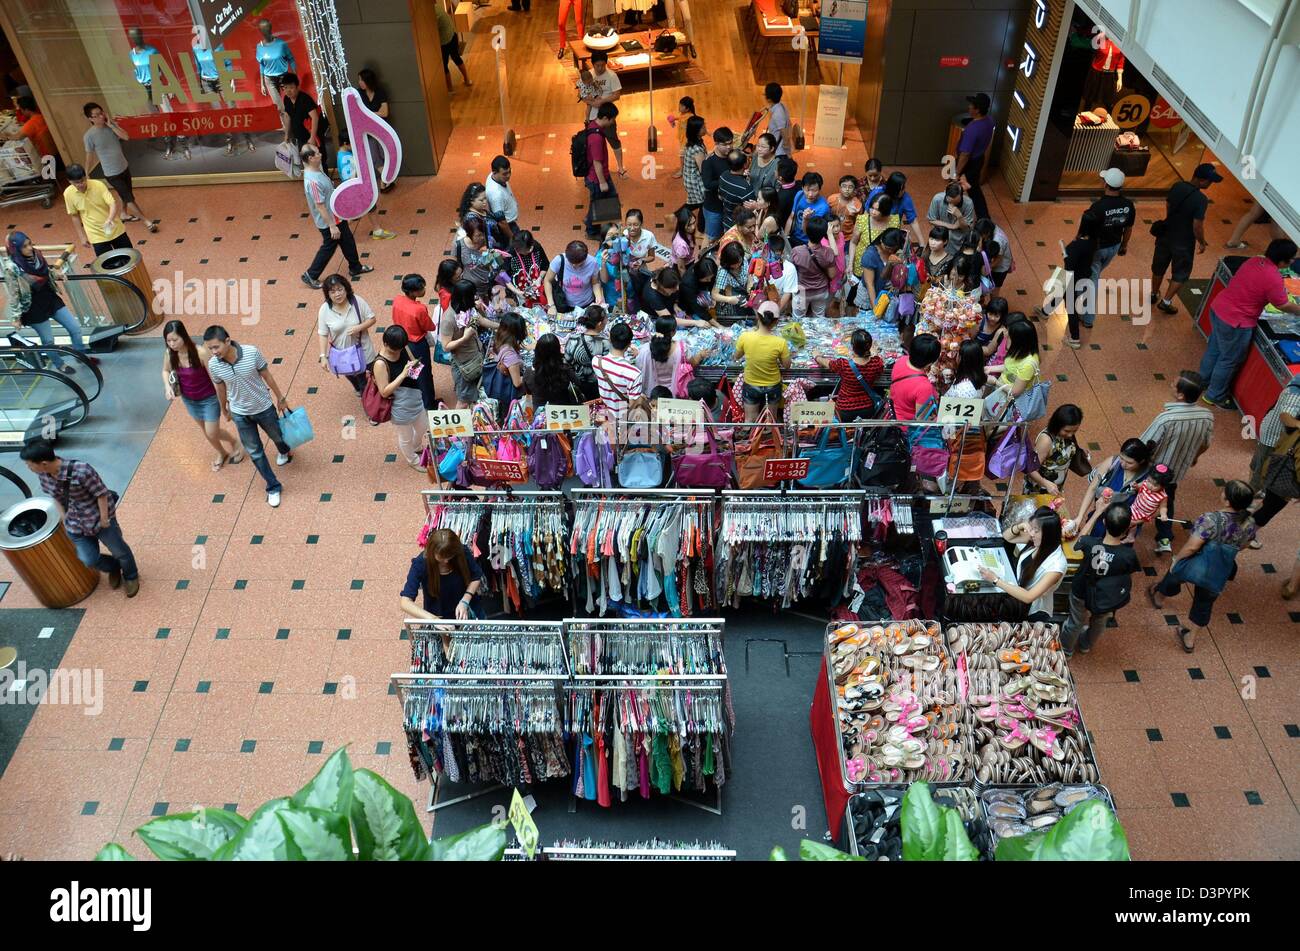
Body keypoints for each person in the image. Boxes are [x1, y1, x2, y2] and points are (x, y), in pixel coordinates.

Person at [20, 439, 139, 597]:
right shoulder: (44, 475)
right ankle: (113, 567)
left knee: (120, 551)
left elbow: (101, 494)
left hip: (98, 519)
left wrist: (104, 519)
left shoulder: (82, 470)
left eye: (29, 464)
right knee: (88, 559)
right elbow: (55, 497)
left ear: (43, 463)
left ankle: (131, 576)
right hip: (75, 523)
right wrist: (64, 517)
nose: (28, 467)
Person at [1148, 480, 1256, 653]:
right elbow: (1244, 545)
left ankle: (1159, 597)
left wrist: (1177, 559)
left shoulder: (1211, 519)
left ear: (1227, 500)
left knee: (1174, 574)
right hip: (1219, 570)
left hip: (1197, 561)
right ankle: (1190, 639)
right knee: (1204, 603)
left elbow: (1192, 546)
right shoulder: (1249, 523)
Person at [1197, 238, 1300, 410]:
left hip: (1220, 309)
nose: (1293, 262)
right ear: (1283, 261)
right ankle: (1214, 395)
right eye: (1291, 259)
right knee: (1229, 359)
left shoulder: (1254, 260)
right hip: (1236, 322)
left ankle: (1201, 381)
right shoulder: (1273, 277)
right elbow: (1282, 304)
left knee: (1214, 349)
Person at [204, 326, 292, 508]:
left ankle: (284, 451)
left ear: (227, 341)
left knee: (278, 437)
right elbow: (220, 387)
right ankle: (273, 486)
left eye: (216, 347)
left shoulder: (251, 352)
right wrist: (224, 409)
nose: (214, 352)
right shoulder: (213, 364)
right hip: (240, 413)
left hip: (264, 407)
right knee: (255, 452)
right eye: (210, 348)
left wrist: (280, 398)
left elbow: (267, 375)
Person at [1138, 371, 1215, 553]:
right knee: (1166, 500)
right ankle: (1164, 538)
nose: (1170, 384)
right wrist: (1193, 457)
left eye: (1173, 383)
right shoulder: (1207, 416)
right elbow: (1205, 443)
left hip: (1153, 470)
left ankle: (1128, 527)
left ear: (1180, 395)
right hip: (1175, 472)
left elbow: (1144, 445)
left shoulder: (1166, 419)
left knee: (1140, 496)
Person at [1, 232, 94, 374]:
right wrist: (16, 317)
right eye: (24, 246)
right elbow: (13, 293)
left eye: (30, 243)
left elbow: (45, 272)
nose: (30, 248)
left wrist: (56, 273)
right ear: (16, 248)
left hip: (50, 298)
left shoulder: (37, 256)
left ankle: (80, 356)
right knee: (48, 341)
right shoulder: (12, 267)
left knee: (75, 328)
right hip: (33, 308)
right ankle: (60, 365)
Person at [161, 320, 242, 472]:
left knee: (212, 432)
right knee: (206, 431)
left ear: (184, 337)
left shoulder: (201, 353)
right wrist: (167, 387)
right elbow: (165, 370)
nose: (172, 344)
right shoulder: (169, 354)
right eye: (168, 341)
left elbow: (216, 380)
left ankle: (234, 441)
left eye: (175, 339)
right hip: (189, 400)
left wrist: (225, 404)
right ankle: (221, 452)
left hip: (209, 399)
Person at [1062, 504, 1140, 657]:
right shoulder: (1128, 555)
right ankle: (1085, 645)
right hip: (1106, 597)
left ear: (1104, 522)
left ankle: (1066, 650)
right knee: (1099, 622)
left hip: (1081, 591)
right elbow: (1129, 573)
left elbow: (1080, 539)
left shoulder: (1090, 544)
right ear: (1127, 529)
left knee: (1075, 621)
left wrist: (1097, 512)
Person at [1151, 163, 1222, 315]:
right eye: (1210, 181)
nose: (1211, 184)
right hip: (1183, 241)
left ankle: (1153, 293)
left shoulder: (1177, 186)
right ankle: (1166, 301)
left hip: (1166, 234)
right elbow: (1197, 225)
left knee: (1159, 265)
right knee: (1181, 272)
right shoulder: (1201, 199)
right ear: (1201, 179)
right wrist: (1201, 242)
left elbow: (1168, 204)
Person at [300, 144, 371, 290]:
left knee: (347, 240)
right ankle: (311, 274)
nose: (321, 155)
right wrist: (332, 225)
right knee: (329, 247)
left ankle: (355, 266)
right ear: (310, 158)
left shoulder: (316, 171)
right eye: (318, 154)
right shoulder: (312, 181)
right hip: (329, 221)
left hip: (336, 215)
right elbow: (320, 206)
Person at [978, 506, 1067, 621]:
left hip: (1032, 611)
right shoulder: (1038, 540)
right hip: (1017, 596)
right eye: (1032, 528)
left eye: (1036, 530)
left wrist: (995, 580)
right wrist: (1019, 526)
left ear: (1048, 534)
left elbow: (1028, 597)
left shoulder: (1056, 566)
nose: (1031, 533)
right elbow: (1007, 537)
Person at [80, 103, 157, 233]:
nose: (100, 116)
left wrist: (112, 125)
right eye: (96, 115)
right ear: (90, 119)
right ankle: (147, 221)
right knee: (129, 197)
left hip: (124, 166)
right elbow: (89, 155)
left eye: (101, 113)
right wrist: (86, 173)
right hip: (111, 173)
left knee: (126, 194)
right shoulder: (89, 136)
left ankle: (124, 214)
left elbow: (126, 137)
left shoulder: (111, 125)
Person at [1071, 437, 1154, 540]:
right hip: (1100, 519)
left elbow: (1153, 506)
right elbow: (1092, 488)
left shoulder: (1151, 478)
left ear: (1141, 461)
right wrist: (1080, 516)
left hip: (1124, 527)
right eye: (1121, 458)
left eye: (1129, 462)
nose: (1123, 464)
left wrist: (1134, 523)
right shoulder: (1113, 462)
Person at [372, 325, 429, 470]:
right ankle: (413, 460)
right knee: (406, 437)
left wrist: (414, 367)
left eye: (400, 348)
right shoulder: (380, 363)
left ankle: (416, 446)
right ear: (385, 344)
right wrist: (403, 374)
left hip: (415, 397)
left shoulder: (403, 346)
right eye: (394, 350)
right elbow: (384, 391)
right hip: (399, 405)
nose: (398, 352)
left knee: (423, 427)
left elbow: (413, 363)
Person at [400, 528, 484, 621]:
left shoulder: (461, 552)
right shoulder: (421, 564)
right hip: (438, 614)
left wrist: (465, 600)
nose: (447, 561)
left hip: (470, 611)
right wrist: (434, 620)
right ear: (432, 552)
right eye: (442, 558)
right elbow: (405, 602)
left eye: (450, 556)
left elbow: (476, 576)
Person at [316, 274, 377, 397]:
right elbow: (323, 333)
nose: (337, 294)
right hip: (343, 354)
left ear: (346, 289)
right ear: (327, 294)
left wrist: (358, 328)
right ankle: (360, 389)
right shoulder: (324, 309)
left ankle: (371, 406)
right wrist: (323, 356)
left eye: (340, 289)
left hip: (363, 351)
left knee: (367, 382)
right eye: (332, 291)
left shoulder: (357, 301)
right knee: (351, 375)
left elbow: (372, 319)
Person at [943, 339, 989, 492]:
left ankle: (953, 489)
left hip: (958, 433)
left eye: (958, 354)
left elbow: (954, 419)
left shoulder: (964, 389)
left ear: (963, 359)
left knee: (955, 472)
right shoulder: (979, 378)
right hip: (969, 429)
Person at [390, 273, 438, 410]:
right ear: (413, 291)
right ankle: (429, 404)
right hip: (418, 344)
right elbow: (430, 326)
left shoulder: (397, 300)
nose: (424, 289)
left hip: (402, 342)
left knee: (412, 371)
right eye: (421, 288)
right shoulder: (419, 309)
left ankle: (416, 398)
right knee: (425, 374)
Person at [735, 303, 790, 421]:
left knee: (750, 419)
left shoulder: (745, 337)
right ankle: (769, 436)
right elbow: (787, 366)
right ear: (776, 322)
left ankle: (751, 438)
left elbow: (736, 357)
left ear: (757, 317)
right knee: (771, 419)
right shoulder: (780, 342)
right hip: (773, 385)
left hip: (751, 384)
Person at [439, 279, 488, 408]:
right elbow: (446, 346)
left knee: (475, 393)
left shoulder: (468, 308)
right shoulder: (448, 319)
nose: (475, 298)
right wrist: (465, 338)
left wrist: (502, 326)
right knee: (463, 400)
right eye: (473, 295)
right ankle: (457, 426)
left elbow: (480, 320)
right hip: (464, 365)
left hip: (477, 356)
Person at [816, 328, 883, 422]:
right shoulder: (876, 363)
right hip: (867, 410)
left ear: (852, 347)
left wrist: (817, 356)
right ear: (869, 346)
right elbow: (877, 357)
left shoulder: (843, 364)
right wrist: (872, 350)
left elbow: (827, 363)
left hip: (845, 410)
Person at [336, 136, 396, 240]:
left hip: (358, 189)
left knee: (370, 207)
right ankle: (337, 231)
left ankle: (377, 230)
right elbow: (349, 178)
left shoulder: (342, 154)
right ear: (346, 143)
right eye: (352, 143)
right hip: (356, 191)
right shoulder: (345, 158)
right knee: (355, 215)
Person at [63, 164, 130, 257]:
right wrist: (82, 237)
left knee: (128, 257)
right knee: (107, 264)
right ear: (69, 181)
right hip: (96, 235)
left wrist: (110, 219)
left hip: (115, 229)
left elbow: (112, 204)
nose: (80, 184)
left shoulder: (98, 185)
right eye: (76, 182)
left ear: (85, 176)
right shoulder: (68, 194)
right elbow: (74, 216)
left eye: (82, 180)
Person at [1250, 373, 1300, 491]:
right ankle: (1248, 498)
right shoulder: (1297, 392)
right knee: (1262, 471)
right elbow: (1286, 416)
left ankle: (1250, 490)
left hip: (1272, 432)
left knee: (1258, 463)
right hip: (1274, 438)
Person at [1252, 423, 1300, 543]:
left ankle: (1241, 526)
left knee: (1266, 504)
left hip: (1274, 469)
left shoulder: (1294, 423)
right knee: (1268, 511)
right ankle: (1242, 536)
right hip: (1285, 481)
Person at [581, 51, 626, 179]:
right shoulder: (588, 75)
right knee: (594, 144)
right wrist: (590, 102)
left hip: (607, 116)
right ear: (593, 64)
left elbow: (617, 95)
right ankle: (594, 170)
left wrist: (602, 101)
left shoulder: (612, 75)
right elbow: (582, 94)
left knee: (613, 140)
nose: (600, 68)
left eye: (602, 65)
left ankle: (620, 167)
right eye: (597, 66)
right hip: (592, 117)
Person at [1086, 168, 1135, 282]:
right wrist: (1124, 245)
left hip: (1098, 248)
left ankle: (1088, 297)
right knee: (1095, 271)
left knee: (1092, 276)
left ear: (1105, 185)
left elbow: (1087, 230)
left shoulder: (1098, 207)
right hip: (1114, 246)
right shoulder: (1128, 205)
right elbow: (1128, 228)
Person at [1029, 404, 1087, 495]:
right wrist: (1046, 484)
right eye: (1067, 431)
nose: (1070, 435)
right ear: (1057, 425)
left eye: (1074, 431)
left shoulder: (1066, 435)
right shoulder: (1046, 441)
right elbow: (1030, 469)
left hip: (1054, 488)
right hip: (1040, 489)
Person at [582, 102, 621, 240]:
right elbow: (597, 162)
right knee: (601, 202)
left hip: (598, 176)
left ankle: (593, 222)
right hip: (597, 178)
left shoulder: (593, 125)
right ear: (605, 117)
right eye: (612, 119)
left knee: (599, 201)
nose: (613, 122)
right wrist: (602, 182)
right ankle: (592, 232)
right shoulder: (596, 138)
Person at [638, 315, 705, 394]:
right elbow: (693, 363)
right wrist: (701, 355)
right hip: (676, 392)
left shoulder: (645, 349)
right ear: (673, 332)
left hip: (653, 392)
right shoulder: (682, 348)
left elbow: (640, 366)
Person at [954, 92, 995, 220]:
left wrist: (957, 172)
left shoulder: (973, 129)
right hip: (979, 159)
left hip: (969, 163)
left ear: (977, 110)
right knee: (972, 188)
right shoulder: (989, 121)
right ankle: (981, 216)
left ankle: (984, 218)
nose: (969, 107)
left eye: (971, 106)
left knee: (965, 188)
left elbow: (965, 154)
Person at [592, 321, 642, 420]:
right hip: (622, 418)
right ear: (629, 344)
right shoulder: (634, 374)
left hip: (605, 415)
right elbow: (633, 407)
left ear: (609, 339)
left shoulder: (597, 361)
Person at [790, 215, 836, 319]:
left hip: (801, 292)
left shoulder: (797, 251)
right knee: (819, 319)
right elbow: (832, 275)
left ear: (807, 231)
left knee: (798, 320)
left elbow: (792, 272)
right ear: (824, 234)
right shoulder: (828, 252)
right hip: (821, 291)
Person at [1061, 222, 1099, 347]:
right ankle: (1045, 310)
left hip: (1072, 278)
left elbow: (1068, 267)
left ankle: (1074, 338)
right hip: (1084, 275)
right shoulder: (1094, 242)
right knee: (1061, 290)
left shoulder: (1075, 246)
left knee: (1071, 308)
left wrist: (1065, 256)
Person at [564, 305, 610, 401]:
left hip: (579, 382)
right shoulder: (605, 343)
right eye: (606, 319)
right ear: (599, 323)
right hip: (598, 384)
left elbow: (567, 361)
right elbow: (608, 367)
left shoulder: (573, 339)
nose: (607, 321)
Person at [890, 334, 940, 421]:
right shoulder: (924, 387)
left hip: (896, 414)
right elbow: (921, 419)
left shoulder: (901, 360)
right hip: (907, 427)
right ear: (929, 363)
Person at [356, 68, 392, 187]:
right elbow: (358, 114)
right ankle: (386, 179)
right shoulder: (358, 94)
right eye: (359, 80)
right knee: (374, 156)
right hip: (368, 132)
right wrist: (376, 113)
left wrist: (368, 114)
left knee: (384, 153)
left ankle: (387, 179)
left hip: (382, 129)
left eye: (362, 80)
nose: (359, 82)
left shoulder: (380, 92)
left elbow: (385, 112)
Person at [545, 240, 604, 313]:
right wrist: (551, 305)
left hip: (587, 303)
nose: (574, 266)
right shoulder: (559, 261)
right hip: (565, 304)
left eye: (579, 264)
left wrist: (598, 297)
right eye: (571, 263)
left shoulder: (593, 263)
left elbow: (595, 282)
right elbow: (547, 280)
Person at [280, 73, 328, 163]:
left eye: (291, 87)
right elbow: (288, 117)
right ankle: (310, 177)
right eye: (285, 88)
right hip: (300, 136)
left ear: (297, 87)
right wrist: (287, 134)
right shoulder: (286, 99)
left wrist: (312, 137)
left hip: (312, 135)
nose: (287, 91)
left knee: (319, 161)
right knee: (306, 161)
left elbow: (315, 117)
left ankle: (324, 176)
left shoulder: (305, 99)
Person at [849, 192, 898, 278]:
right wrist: (850, 264)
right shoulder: (862, 220)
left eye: (878, 210)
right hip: (862, 263)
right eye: (872, 208)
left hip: (882, 266)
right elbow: (853, 242)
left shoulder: (895, 222)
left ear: (885, 210)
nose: (873, 212)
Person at [869, 171, 924, 247]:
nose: (904, 190)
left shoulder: (905, 198)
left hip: (891, 233)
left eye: (904, 187)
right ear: (893, 189)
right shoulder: (877, 192)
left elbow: (913, 221)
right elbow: (867, 213)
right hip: (874, 228)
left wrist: (922, 244)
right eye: (901, 189)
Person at [990, 317, 1040, 401]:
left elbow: (1015, 392)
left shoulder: (1028, 365)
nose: (1006, 338)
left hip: (1008, 400)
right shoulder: (1018, 351)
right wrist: (990, 368)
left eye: (1009, 337)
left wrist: (995, 382)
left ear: (1018, 342)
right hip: (1001, 391)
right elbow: (1010, 368)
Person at [454, 217, 504, 300]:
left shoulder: (490, 241)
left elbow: (499, 264)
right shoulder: (459, 246)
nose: (482, 238)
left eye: (483, 234)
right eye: (478, 235)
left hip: (490, 287)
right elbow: (456, 268)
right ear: (468, 234)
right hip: (471, 289)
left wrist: (493, 255)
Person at [700, 127, 735, 240]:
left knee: (725, 237)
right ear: (716, 143)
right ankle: (703, 257)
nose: (729, 147)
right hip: (714, 208)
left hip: (729, 207)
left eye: (730, 143)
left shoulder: (732, 156)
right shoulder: (708, 162)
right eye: (725, 144)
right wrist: (727, 179)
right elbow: (708, 184)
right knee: (711, 238)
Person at [533, 333, 582, 409]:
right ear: (558, 349)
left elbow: (528, 391)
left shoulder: (531, 372)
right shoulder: (565, 369)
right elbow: (578, 383)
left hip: (541, 412)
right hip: (564, 410)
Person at [502, 230, 549, 308]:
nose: (530, 250)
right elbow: (504, 275)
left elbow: (545, 265)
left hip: (537, 287)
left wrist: (539, 279)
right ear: (517, 249)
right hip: (518, 290)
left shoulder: (536, 246)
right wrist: (517, 292)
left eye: (530, 248)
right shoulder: (510, 253)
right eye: (527, 250)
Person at [927, 182, 975, 255]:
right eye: (949, 202)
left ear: (961, 196)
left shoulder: (968, 203)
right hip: (940, 235)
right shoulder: (937, 199)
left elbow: (967, 229)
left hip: (958, 239)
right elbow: (931, 220)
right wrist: (951, 226)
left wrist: (959, 216)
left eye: (956, 203)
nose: (951, 205)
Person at [458, 182, 509, 251]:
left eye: (485, 198)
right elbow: (478, 241)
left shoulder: (481, 210)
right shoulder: (471, 219)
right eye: (481, 200)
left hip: (497, 245)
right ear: (471, 201)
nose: (485, 202)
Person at [435, 1, 472, 89]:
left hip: (444, 41)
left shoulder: (433, 16)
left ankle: (450, 88)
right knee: (456, 57)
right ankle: (467, 80)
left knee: (444, 66)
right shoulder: (438, 7)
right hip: (453, 34)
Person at [788, 172, 830, 247]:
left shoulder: (823, 207)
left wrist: (806, 219)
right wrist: (786, 236)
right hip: (794, 236)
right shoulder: (799, 195)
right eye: (807, 190)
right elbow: (791, 217)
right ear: (802, 188)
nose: (810, 194)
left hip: (808, 243)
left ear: (820, 189)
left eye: (814, 191)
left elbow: (810, 232)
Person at [718, 149, 757, 230]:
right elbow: (752, 209)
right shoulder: (745, 188)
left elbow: (720, 196)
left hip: (726, 222)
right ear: (745, 165)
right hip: (739, 227)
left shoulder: (723, 175)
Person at [484, 155, 519, 240]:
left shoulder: (493, 177)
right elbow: (502, 222)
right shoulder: (496, 194)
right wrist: (513, 239)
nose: (508, 176)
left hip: (511, 223)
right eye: (504, 174)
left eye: (509, 172)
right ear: (494, 172)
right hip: (508, 227)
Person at [679, 257, 721, 326]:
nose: (709, 280)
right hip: (687, 306)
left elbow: (711, 283)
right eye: (707, 279)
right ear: (698, 276)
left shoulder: (708, 267)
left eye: (711, 277)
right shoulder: (687, 284)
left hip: (700, 294)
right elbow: (697, 307)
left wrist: (711, 297)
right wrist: (717, 325)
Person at [975, 217, 1014, 290]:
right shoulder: (992, 227)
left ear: (987, 233)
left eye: (981, 235)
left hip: (1000, 269)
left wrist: (987, 267)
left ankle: (994, 301)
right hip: (994, 263)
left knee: (994, 290)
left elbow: (999, 259)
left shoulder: (998, 240)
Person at [680, 116, 708, 211]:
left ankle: (675, 216)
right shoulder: (697, 149)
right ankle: (675, 216)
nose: (705, 128)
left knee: (697, 203)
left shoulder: (695, 142)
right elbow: (703, 169)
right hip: (695, 181)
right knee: (702, 204)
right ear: (697, 131)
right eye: (703, 127)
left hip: (690, 178)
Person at [976, 296, 1010, 366]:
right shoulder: (980, 320)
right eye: (990, 314)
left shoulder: (1001, 330)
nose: (992, 318)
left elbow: (989, 350)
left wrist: (972, 350)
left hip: (983, 359)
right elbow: (970, 337)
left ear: (1002, 316)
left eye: (996, 316)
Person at [669, 95, 696, 179]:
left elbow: (694, 124)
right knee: (688, 155)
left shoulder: (690, 117)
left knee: (682, 155)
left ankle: (682, 171)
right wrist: (674, 119)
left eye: (681, 106)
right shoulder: (683, 114)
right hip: (682, 139)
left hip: (687, 140)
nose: (679, 107)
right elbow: (681, 118)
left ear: (687, 109)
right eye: (679, 105)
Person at [773, 157, 800, 233]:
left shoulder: (780, 197)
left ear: (780, 178)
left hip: (784, 228)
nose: (774, 171)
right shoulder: (799, 184)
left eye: (776, 170)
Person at [764, 82, 791, 156]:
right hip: (778, 149)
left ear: (768, 98)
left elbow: (785, 135)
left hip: (778, 152)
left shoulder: (778, 114)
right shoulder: (782, 106)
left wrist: (788, 154)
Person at [671, 205, 699, 273]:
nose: (693, 227)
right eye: (689, 225)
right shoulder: (681, 245)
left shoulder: (685, 233)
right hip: (683, 267)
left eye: (694, 223)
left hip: (688, 262)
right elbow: (681, 268)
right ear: (682, 225)